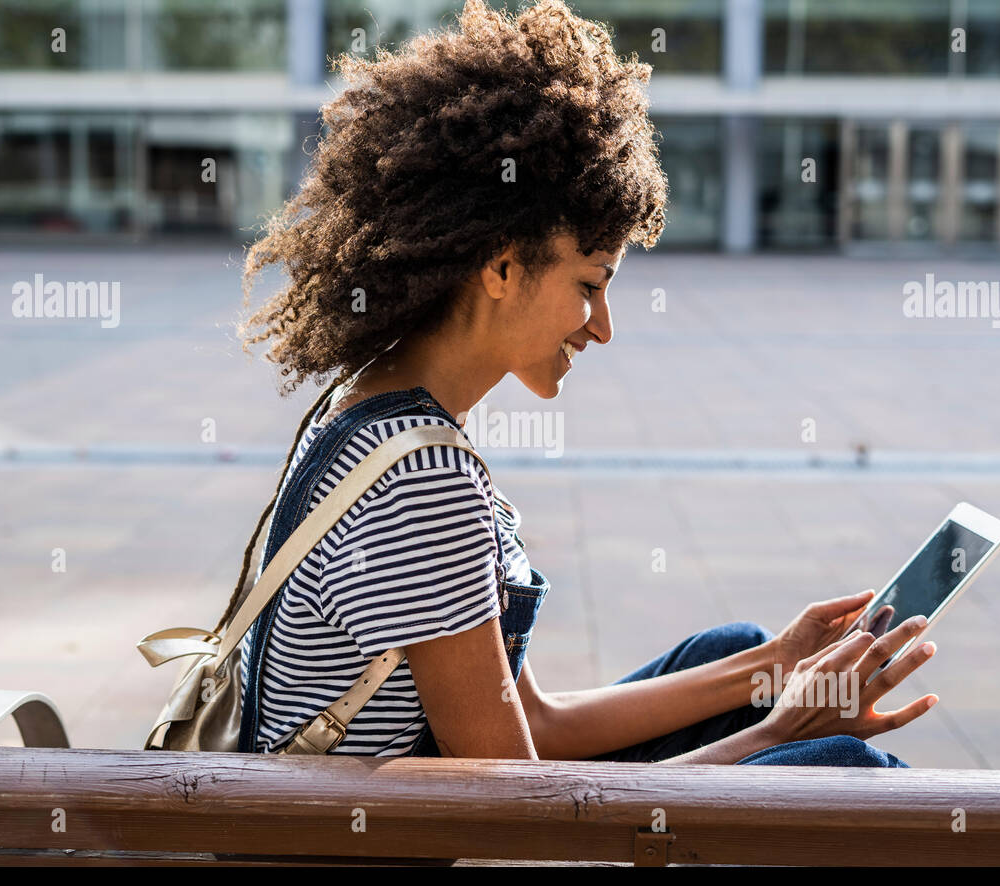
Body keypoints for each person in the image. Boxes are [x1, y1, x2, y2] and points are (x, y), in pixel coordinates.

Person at [228, 0, 938, 765]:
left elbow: (536, 722)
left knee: (741, 651)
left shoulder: (367, 410)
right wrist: (778, 733)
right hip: (391, 845)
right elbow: (517, 811)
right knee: (842, 766)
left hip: (398, 808)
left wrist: (773, 670)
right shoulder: (423, 481)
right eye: (591, 285)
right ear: (501, 266)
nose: (601, 327)